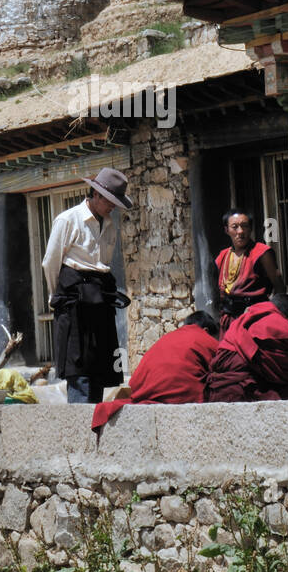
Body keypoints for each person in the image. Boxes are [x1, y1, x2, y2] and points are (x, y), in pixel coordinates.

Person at [42, 167, 132, 404]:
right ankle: (80, 428)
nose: (112, 206)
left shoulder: (110, 225)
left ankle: (95, 425)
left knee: (100, 369)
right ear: (96, 194)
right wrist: (58, 297)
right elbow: (51, 263)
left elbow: (104, 264)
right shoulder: (68, 220)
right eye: (109, 201)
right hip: (74, 303)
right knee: (78, 368)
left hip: (100, 300)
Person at [91, 311, 219, 431]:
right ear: (206, 330)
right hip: (184, 398)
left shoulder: (167, 337)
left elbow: (134, 383)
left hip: (148, 395)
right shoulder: (204, 338)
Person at [204, 298, 288, 403]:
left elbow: (267, 364)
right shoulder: (279, 327)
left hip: (216, 390)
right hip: (241, 392)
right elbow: (283, 371)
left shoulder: (243, 319)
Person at [214, 209, 284, 338]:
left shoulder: (261, 253)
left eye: (244, 226)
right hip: (229, 320)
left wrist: (277, 316)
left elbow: (278, 285)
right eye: (235, 227)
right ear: (226, 230)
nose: (240, 231)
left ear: (250, 229)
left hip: (254, 319)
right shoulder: (222, 256)